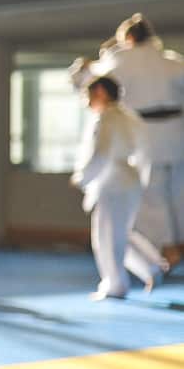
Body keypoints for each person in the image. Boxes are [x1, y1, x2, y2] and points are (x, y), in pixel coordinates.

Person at [71, 14, 184, 265]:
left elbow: (90, 83)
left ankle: (168, 249)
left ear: (129, 38)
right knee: (179, 195)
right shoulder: (172, 62)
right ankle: (173, 247)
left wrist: (86, 68)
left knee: (154, 198)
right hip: (178, 136)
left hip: (149, 139)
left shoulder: (119, 62)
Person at [72, 76, 169, 299]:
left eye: (89, 93)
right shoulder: (129, 117)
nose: (86, 99)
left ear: (100, 92)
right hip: (129, 179)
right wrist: (140, 180)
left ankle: (116, 284)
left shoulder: (107, 119)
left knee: (107, 237)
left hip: (113, 181)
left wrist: (83, 178)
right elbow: (145, 154)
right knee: (120, 233)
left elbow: (102, 154)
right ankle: (151, 267)